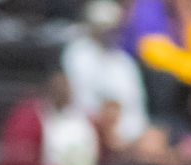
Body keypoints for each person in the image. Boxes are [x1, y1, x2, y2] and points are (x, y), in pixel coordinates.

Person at [63, 0, 149, 148]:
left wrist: (128, 136)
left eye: (112, 28)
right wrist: (104, 129)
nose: (107, 33)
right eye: (103, 28)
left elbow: (136, 108)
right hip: (87, 132)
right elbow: (80, 101)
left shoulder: (125, 62)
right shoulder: (78, 54)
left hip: (125, 138)